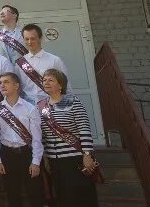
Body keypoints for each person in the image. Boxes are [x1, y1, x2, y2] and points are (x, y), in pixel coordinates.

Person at [38, 69, 99, 207]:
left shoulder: (72, 101)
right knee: (62, 197)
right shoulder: (41, 106)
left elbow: (84, 128)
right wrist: (45, 157)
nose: (46, 82)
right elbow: (42, 135)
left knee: (80, 197)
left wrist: (87, 154)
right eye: (44, 80)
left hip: (75, 159)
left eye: (51, 80)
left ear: (60, 85)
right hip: (54, 161)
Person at [0, 73, 44, 207]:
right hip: (7, 155)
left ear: (16, 86)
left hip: (27, 154)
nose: (2, 85)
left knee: (35, 193)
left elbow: (37, 138)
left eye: (6, 82)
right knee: (12, 194)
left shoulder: (30, 108)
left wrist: (36, 162)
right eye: (1, 82)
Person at [17, 24, 67, 104]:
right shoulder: (19, 63)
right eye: (26, 39)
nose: (29, 42)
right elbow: (18, 88)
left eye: (33, 38)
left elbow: (65, 85)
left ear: (40, 38)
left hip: (52, 104)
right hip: (28, 106)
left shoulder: (55, 60)